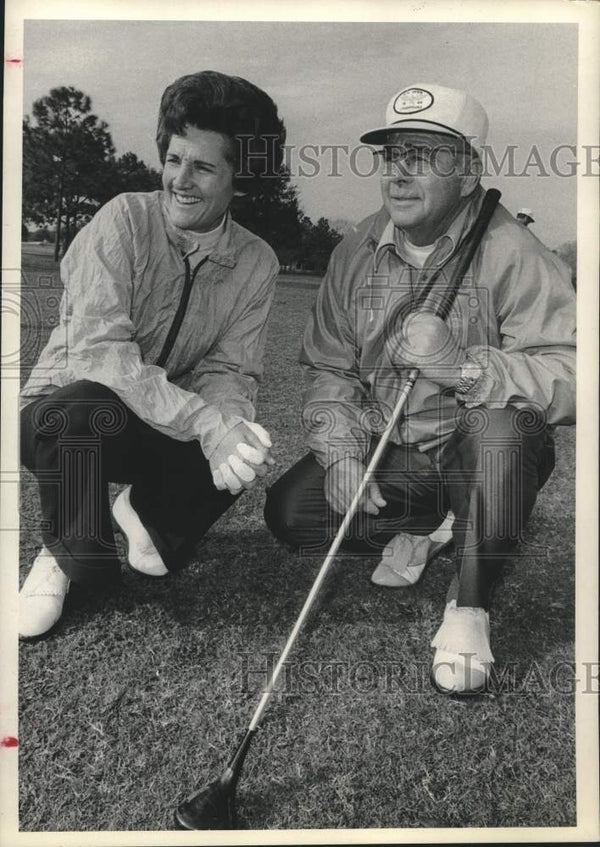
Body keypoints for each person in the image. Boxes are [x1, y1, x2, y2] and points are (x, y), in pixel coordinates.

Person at [264, 84, 575, 694]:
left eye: (425, 156)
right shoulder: (356, 247)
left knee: (502, 430)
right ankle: (434, 525)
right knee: (293, 514)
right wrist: (342, 453)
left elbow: (574, 368)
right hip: (398, 454)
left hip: (477, 451)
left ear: (468, 174)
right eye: (392, 155)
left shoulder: (515, 252)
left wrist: (463, 368)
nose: (399, 173)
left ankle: (469, 605)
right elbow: (331, 368)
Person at [19, 71, 286, 639]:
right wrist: (207, 424)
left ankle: (142, 511)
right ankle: (61, 551)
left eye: (203, 167)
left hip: (158, 421)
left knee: (245, 443)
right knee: (81, 414)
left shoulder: (258, 261)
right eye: (173, 160)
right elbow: (100, 354)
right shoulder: (123, 219)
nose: (179, 181)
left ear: (240, 180)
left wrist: (229, 426)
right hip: (64, 413)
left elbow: (229, 370)